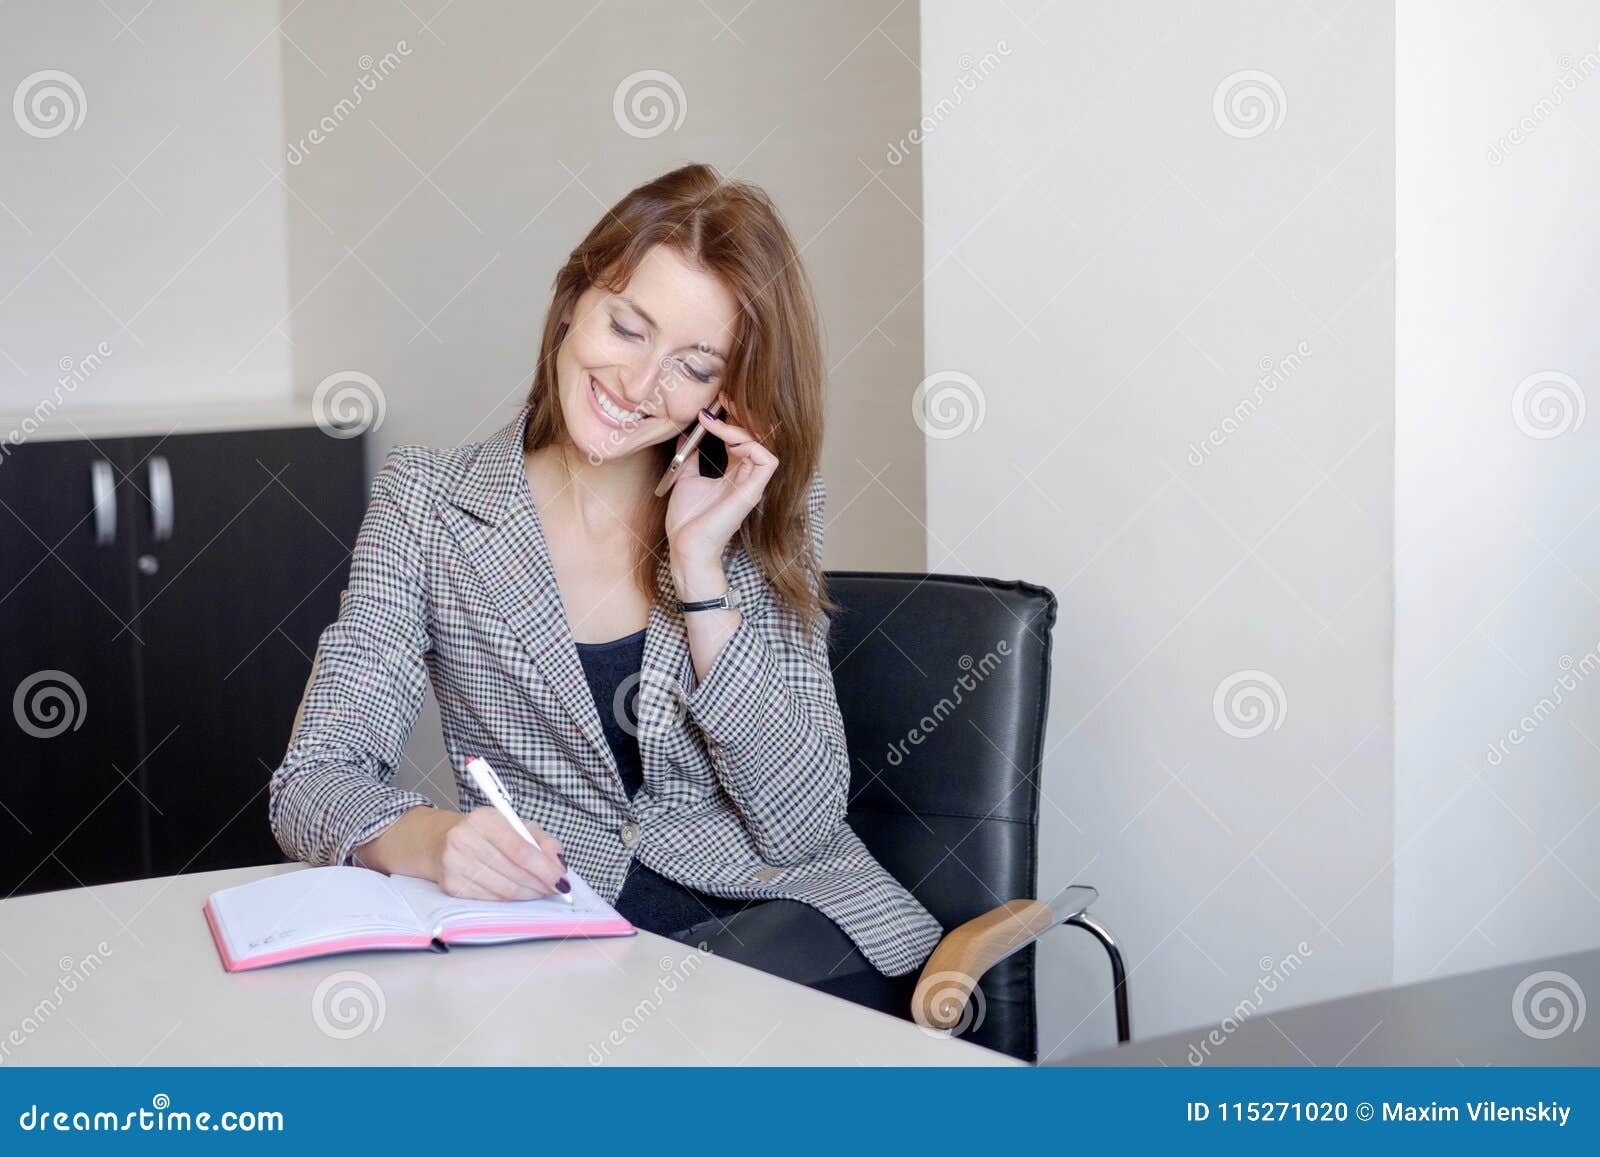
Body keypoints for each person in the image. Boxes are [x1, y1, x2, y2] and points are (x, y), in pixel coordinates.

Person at [270, 162, 942, 1014]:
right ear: (574, 301)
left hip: (795, 931)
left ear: (722, 395)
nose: (638, 385)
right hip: (579, 941)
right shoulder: (428, 509)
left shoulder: (757, 509)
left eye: (691, 366)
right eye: (628, 328)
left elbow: (803, 824)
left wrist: (701, 571)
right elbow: (312, 780)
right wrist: (434, 840)